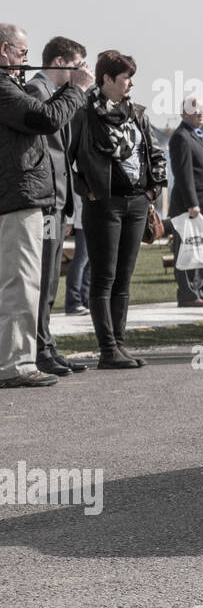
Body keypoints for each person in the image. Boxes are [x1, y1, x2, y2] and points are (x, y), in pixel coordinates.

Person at [0, 23, 93, 388]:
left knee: (24, 282)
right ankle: (16, 364)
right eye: (22, 53)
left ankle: (22, 357)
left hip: (23, 196)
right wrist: (78, 90)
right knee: (21, 283)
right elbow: (45, 118)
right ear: (4, 51)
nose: (25, 60)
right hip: (17, 198)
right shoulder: (4, 87)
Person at [68, 50, 168, 370]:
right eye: (125, 77)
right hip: (104, 205)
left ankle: (120, 345)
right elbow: (66, 160)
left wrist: (153, 189)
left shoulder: (136, 113)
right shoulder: (83, 113)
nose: (130, 83)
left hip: (137, 203)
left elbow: (155, 154)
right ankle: (107, 348)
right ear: (107, 78)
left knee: (124, 279)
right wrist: (88, 192)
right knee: (104, 278)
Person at [23, 36, 91, 375]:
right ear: (61, 62)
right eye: (78, 64)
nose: (83, 72)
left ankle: (47, 343)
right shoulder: (37, 91)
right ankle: (38, 347)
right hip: (44, 199)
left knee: (50, 278)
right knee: (42, 277)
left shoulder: (57, 96)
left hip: (57, 201)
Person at [168, 95, 203, 307]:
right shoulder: (181, 136)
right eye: (194, 109)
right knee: (187, 249)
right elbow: (183, 173)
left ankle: (197, 291)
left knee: (199, 250)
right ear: (184, 113)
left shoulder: (196, 135)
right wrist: (191, 203)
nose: (200, 113)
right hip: (190, 207)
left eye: (202, 109)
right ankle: (188, 294)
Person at [64, 192, 91, 315]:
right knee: (80, 261)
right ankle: (73, 302)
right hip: (83, 218)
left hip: (94, 217)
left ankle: (85, 301)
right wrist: (69, 220)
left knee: (89, 263)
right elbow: (72, 193)